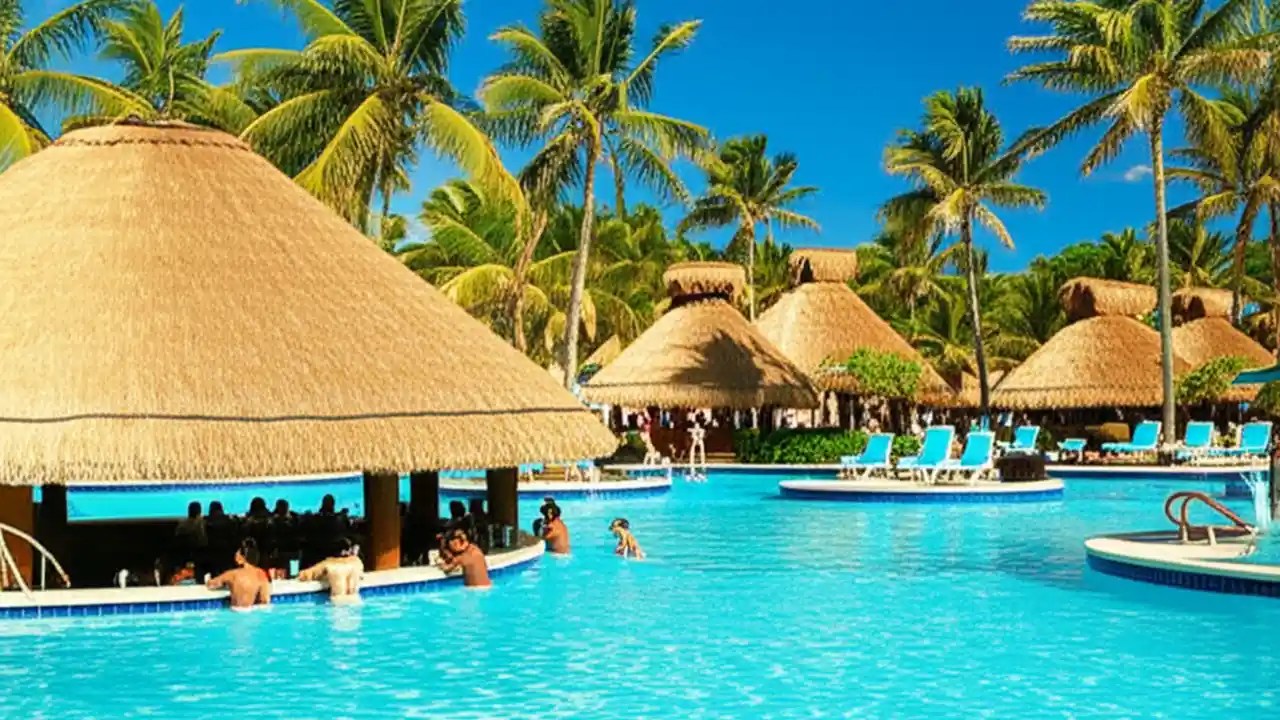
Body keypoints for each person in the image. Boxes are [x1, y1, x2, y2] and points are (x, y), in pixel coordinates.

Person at [207, 540, 271, 609]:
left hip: (236, 613)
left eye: (237, 555)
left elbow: (211, 584)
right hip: (254, 615)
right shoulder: (261, 574)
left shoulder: (232, 574)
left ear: (241, 558)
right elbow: (265, 600)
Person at [297, 538, 363, 603]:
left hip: (339, 601)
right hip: (356, 600)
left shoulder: (328, 563)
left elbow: (304, 576)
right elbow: (360, 576)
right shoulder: (357, 562)